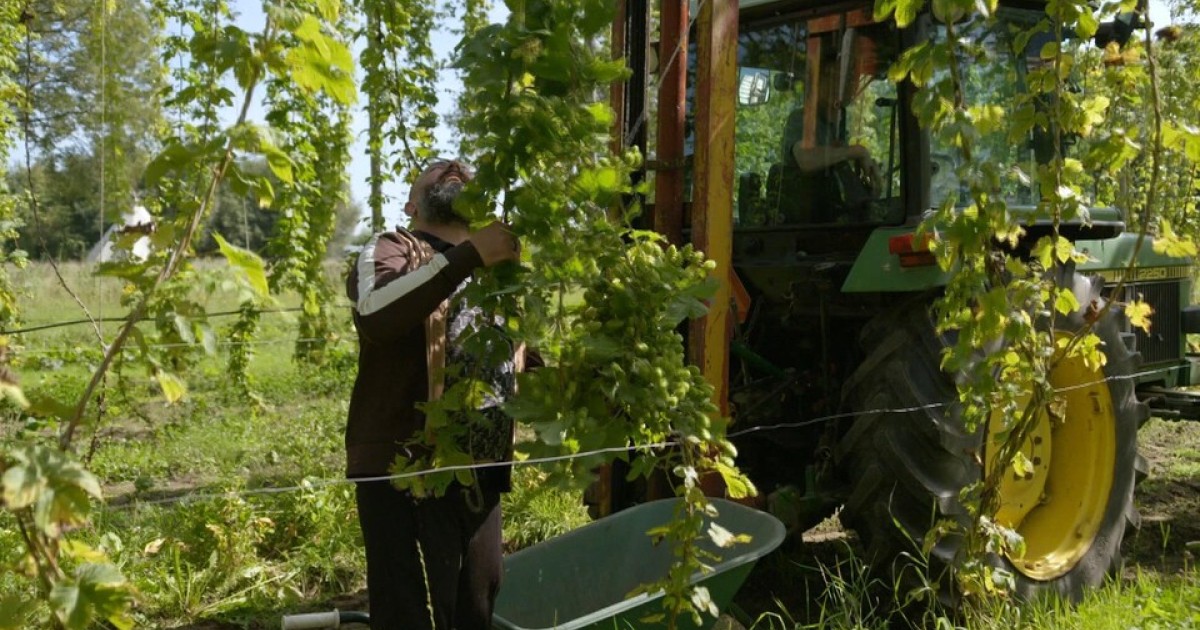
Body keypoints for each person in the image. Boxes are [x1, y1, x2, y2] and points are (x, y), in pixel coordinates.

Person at [345, 158, 521, 629]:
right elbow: (375, 312)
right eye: (434, 169)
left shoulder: (498, 276)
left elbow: (519, 362)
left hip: (478, 472)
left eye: (463, 169)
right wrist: (468, 256)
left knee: (475, 609)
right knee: (403, 612)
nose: (453, 166)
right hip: (400, 465)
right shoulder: (392, 248)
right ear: (410, 203)